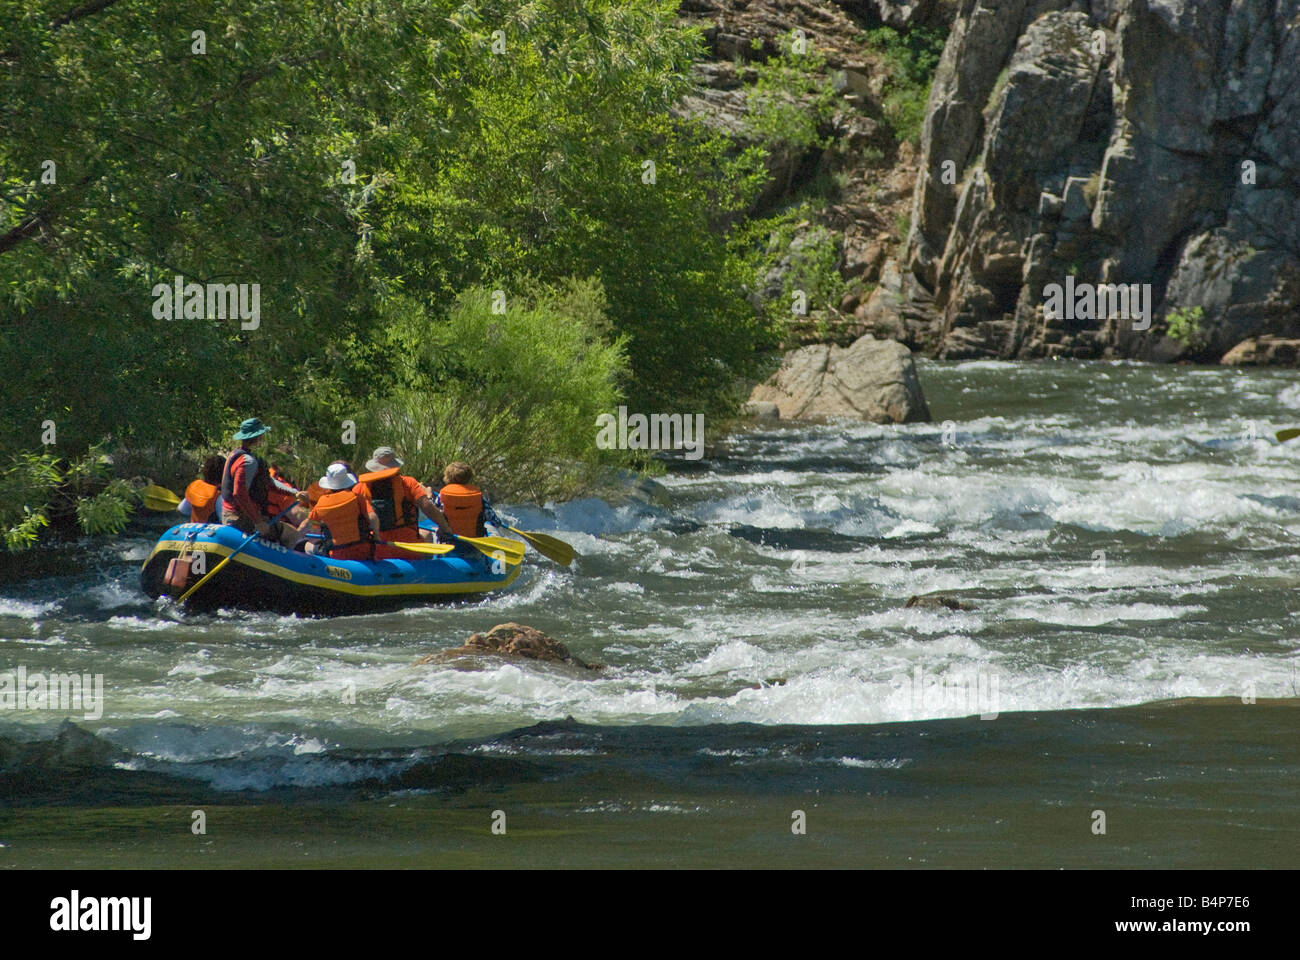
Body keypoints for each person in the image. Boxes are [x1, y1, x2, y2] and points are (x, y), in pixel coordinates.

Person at [219, 417, 308, 548]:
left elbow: (269, 482)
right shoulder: (248, 462)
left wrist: (294, 493)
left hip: (232, 514)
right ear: (258, 437)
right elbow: (239, 494)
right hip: (241, 518)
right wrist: (258, 522)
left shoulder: (236, 454)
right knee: (292, 535)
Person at [355, 446, 454, 559]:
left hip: (377, 548)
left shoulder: (360, 488)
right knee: (427, 535)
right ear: (395, 465)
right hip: (409, 548)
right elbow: (427, 507)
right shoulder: (408, 483)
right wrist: (445, 528)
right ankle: (426, 570)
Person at [298, 463, 378, 560]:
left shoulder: (321, 504)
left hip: (337, 554)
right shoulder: (357, 497)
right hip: (362, 551)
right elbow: (373, 518)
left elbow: (307, 524)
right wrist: (376, 537)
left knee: (307, 545)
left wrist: (296, 535)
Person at [434, 461, 504, 543]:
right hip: (475, 542)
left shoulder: (441, 497)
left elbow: (433, 513)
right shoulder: (479, 497)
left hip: (449, 541)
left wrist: (429, 497)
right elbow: (496, 521)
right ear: (469, 478)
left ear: (447, 478)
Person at [178, 455, 225, 523]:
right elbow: (225, 521)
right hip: (211, 532)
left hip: (193, 530)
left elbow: (182, 509)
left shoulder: (195, 488)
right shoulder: (218, 496)